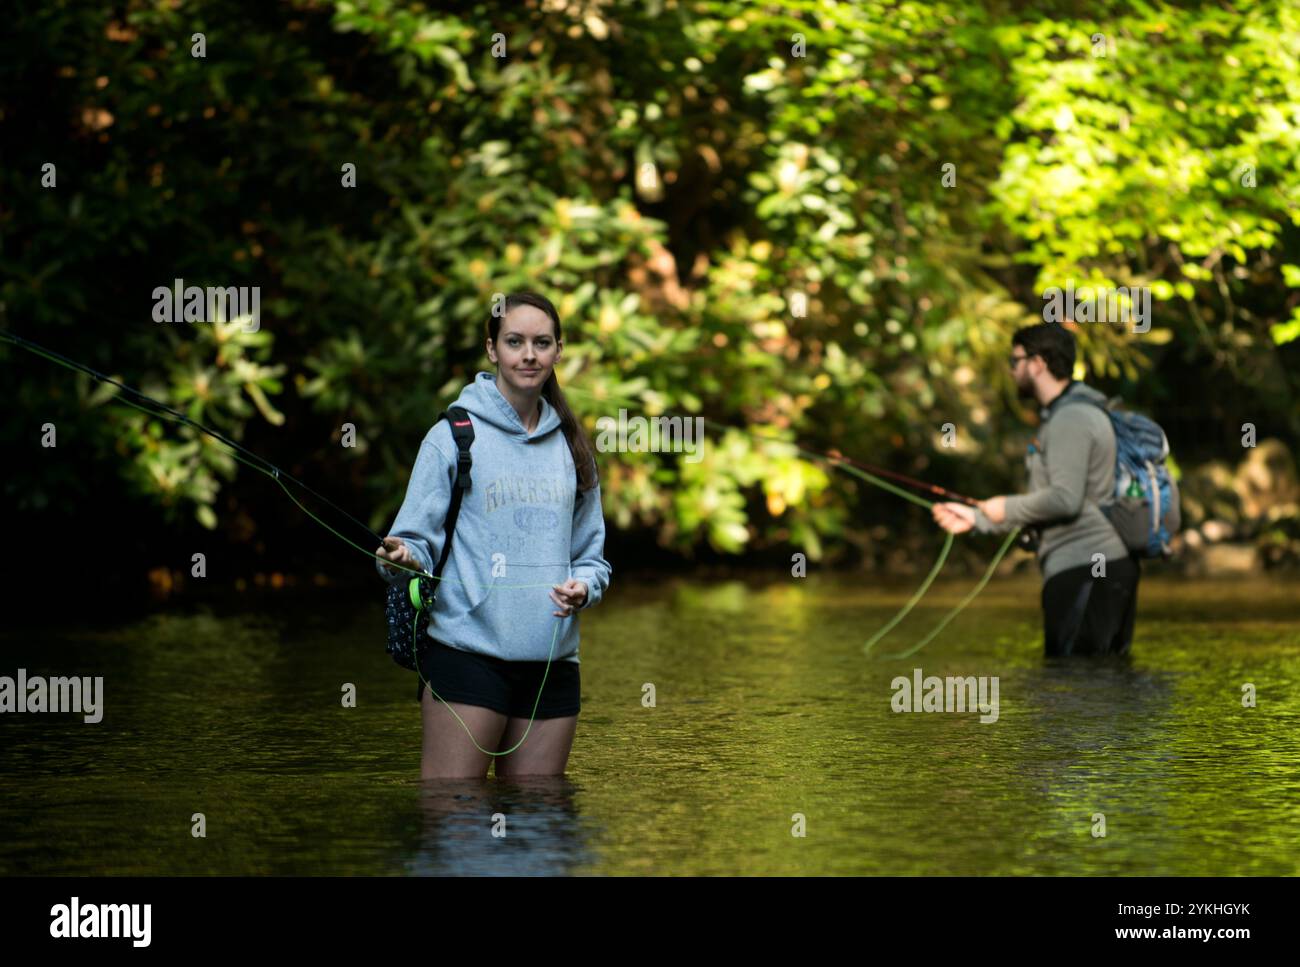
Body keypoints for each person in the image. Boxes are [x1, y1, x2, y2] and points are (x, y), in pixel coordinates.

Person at [376, 292, 611, 779]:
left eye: (542, 342)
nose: (529, 354)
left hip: (552, 663)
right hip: (466, 658)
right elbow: (413, 543)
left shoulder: (572, 444)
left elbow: (592, 557)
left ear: (558, 351)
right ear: (492, 349)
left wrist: (585, 587)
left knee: (541, 829)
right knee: (453, 818)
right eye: (515, 341)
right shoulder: (453, 435)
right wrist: (401, 555)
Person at [931, 323, 1139, 657]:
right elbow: (1065, 500)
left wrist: (1004, 507)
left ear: (1038, 364)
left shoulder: (1071, 419)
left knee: (1074, 688)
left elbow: (1065, 500)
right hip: (1098, 568)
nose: (1011, 371)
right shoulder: (1072, 413)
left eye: (1015, 362)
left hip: (1085, 569)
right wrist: (977, 518)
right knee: (1098, 690)